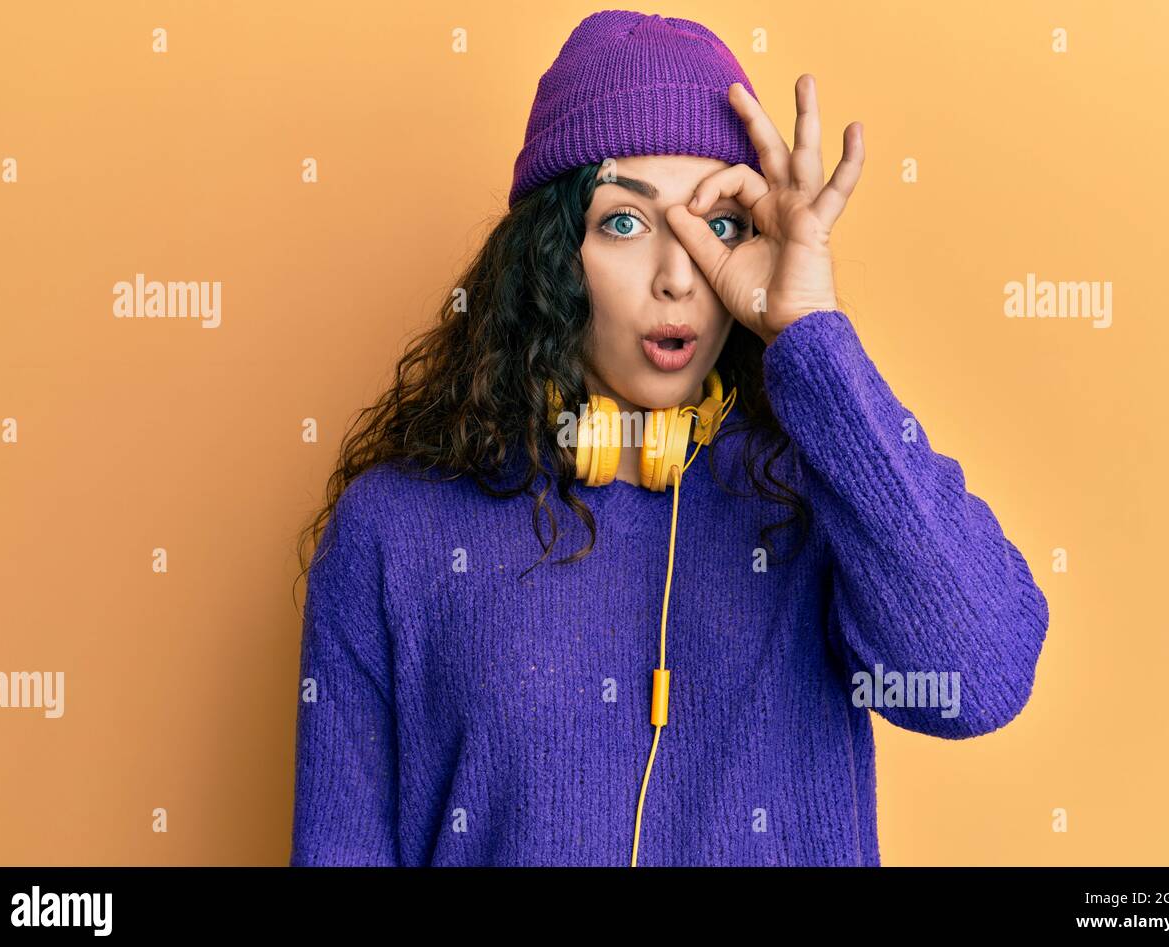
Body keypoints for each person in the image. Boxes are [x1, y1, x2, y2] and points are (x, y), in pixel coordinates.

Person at [288, 9, 1050, 867]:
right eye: (624, 221)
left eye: (718, 226)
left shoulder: (811, 495)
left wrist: (810, 334)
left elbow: (980, 677)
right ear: (549, 256)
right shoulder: (394, 531)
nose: (680, 277)